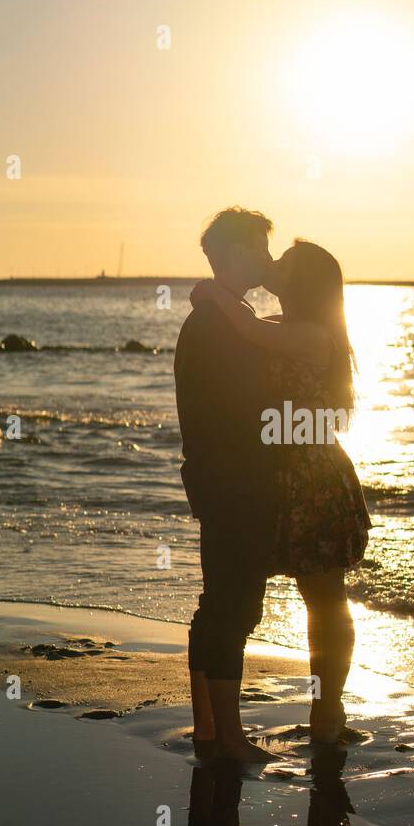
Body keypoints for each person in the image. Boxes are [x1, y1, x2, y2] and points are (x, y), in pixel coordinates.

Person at [190, 238, 371, 745]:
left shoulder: (313, 336)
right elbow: (248, 332)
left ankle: (327, 710)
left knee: (324, 599)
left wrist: (212, 292)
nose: (274, 263)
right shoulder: (288, 330)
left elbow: (245, 328)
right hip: (279, 474)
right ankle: (233, 723)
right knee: (274, 599)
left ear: (304, 282)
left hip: (313, 477)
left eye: (286, 262)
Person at [174, 207, 277, 762]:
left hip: (216, 479)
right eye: (259, 248)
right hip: (234, 482)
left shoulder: (218, 317)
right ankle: (229, 736)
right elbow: (238, 412)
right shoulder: (219, 325)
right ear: (233, 254)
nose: (266, 258)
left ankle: (210, 728)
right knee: (235, 607)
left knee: (218, 604)